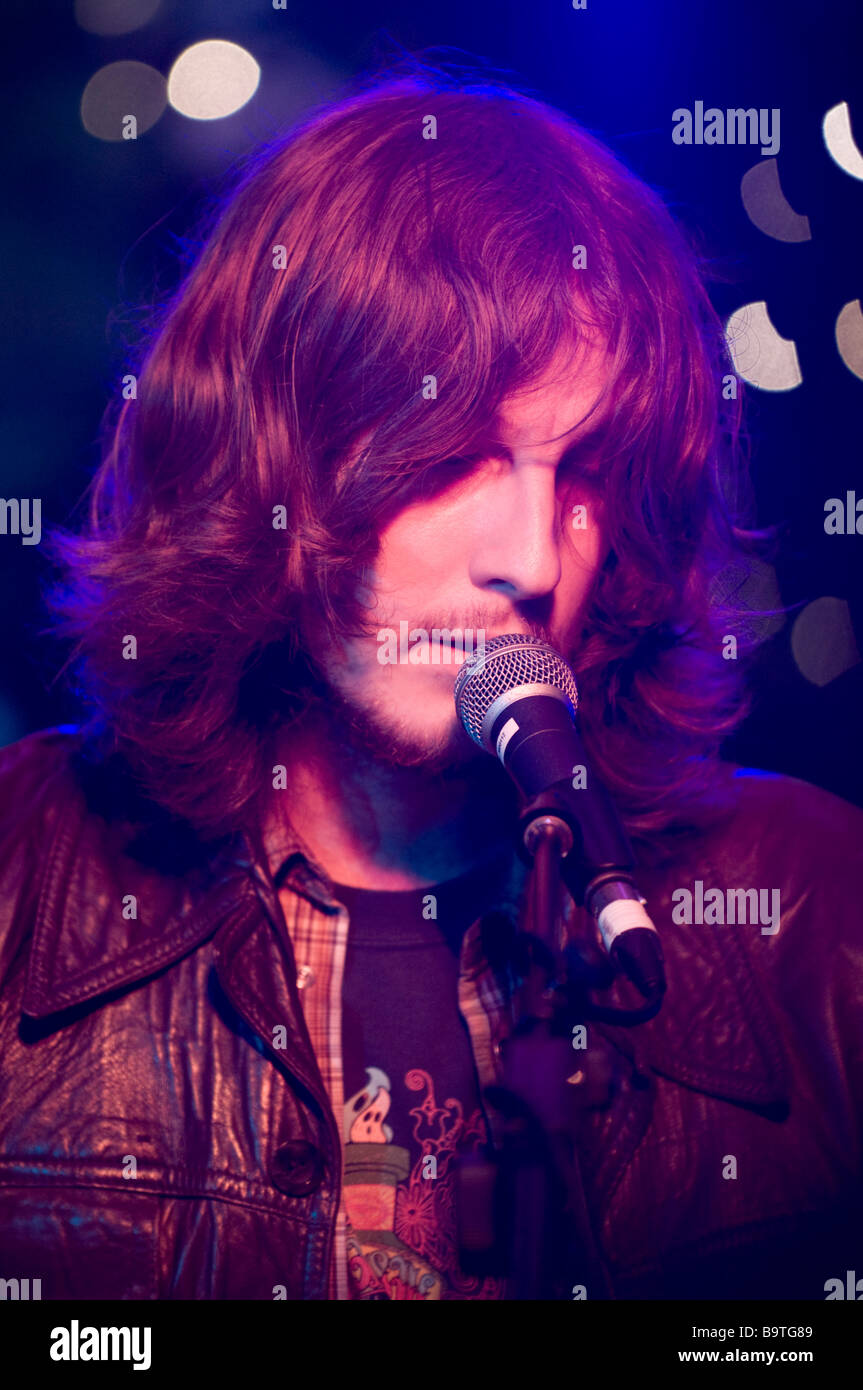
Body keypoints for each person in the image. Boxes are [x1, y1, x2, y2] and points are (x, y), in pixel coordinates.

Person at [0, 62, 861, 1303]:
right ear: (264, 451)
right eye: (454, 455)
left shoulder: (820, 921)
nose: (521, 556)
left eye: (581, 478)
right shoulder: (19, 885)